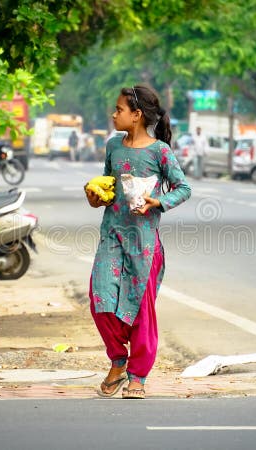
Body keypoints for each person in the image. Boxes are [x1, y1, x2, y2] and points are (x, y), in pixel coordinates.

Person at [84, 85, 191, 399]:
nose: (113, 114)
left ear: (136, 115)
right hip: (112, 236)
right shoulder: (113, 146)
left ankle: (137, 376)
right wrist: (96, 198)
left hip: (144, 244)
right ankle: (118, 360)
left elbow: (183, 188)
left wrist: (158, 202)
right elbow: (109, 187)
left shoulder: (160, 151)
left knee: (141, 312)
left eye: (119, 109)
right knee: (100, 298)